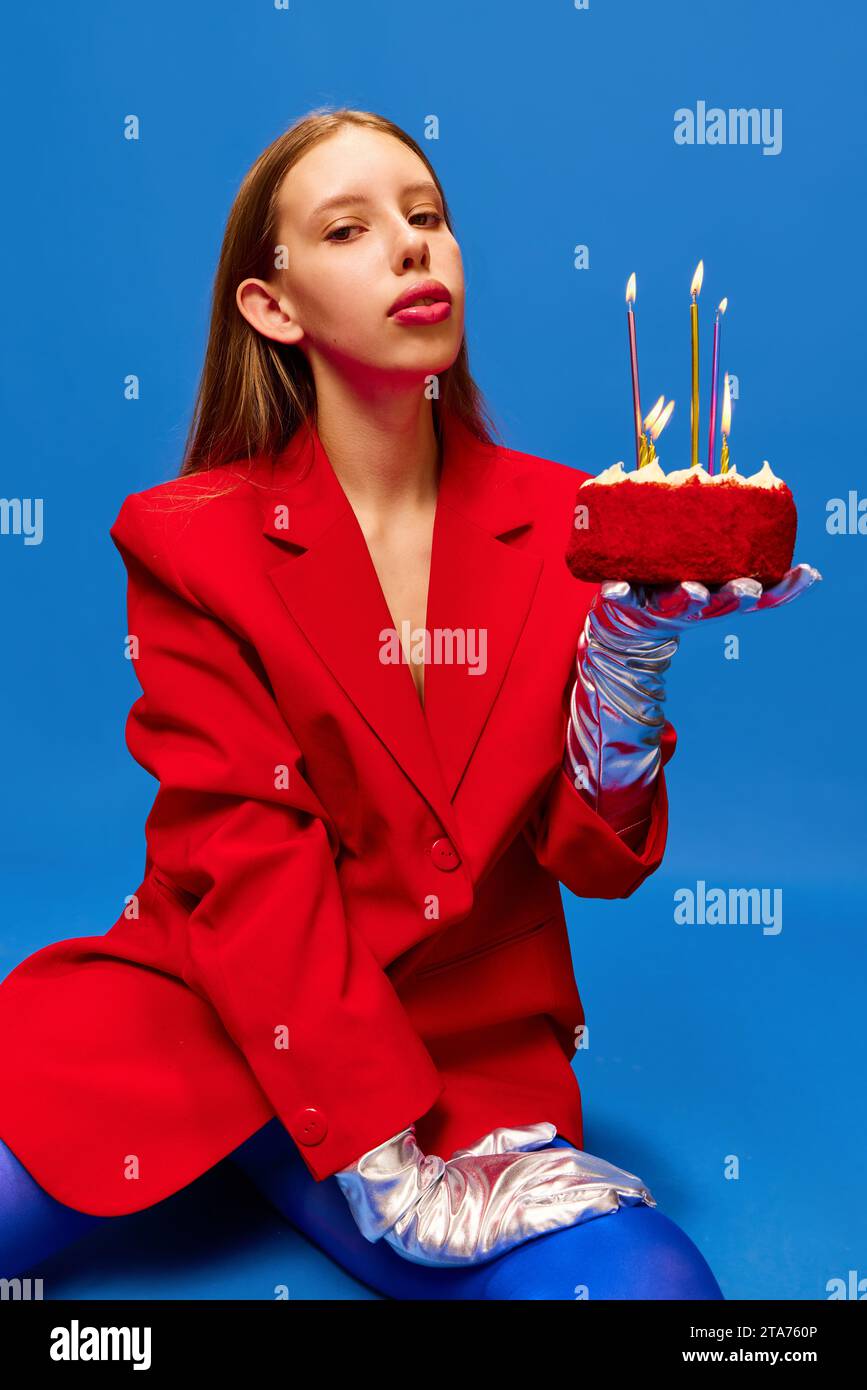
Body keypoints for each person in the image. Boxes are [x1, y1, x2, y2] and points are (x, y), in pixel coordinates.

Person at [0, 108, 819, 1298]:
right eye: (349, 228)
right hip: (217, 1015)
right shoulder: (188, 543)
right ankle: (280, 1147)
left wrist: (627, 667)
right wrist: (383, 1161)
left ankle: (280, 1161)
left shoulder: (578, 524)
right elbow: (251, 864)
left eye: (427, 214)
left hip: (460, 1053)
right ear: (272, 306)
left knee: (659, 1296)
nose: (410, 244)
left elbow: (594, 861)